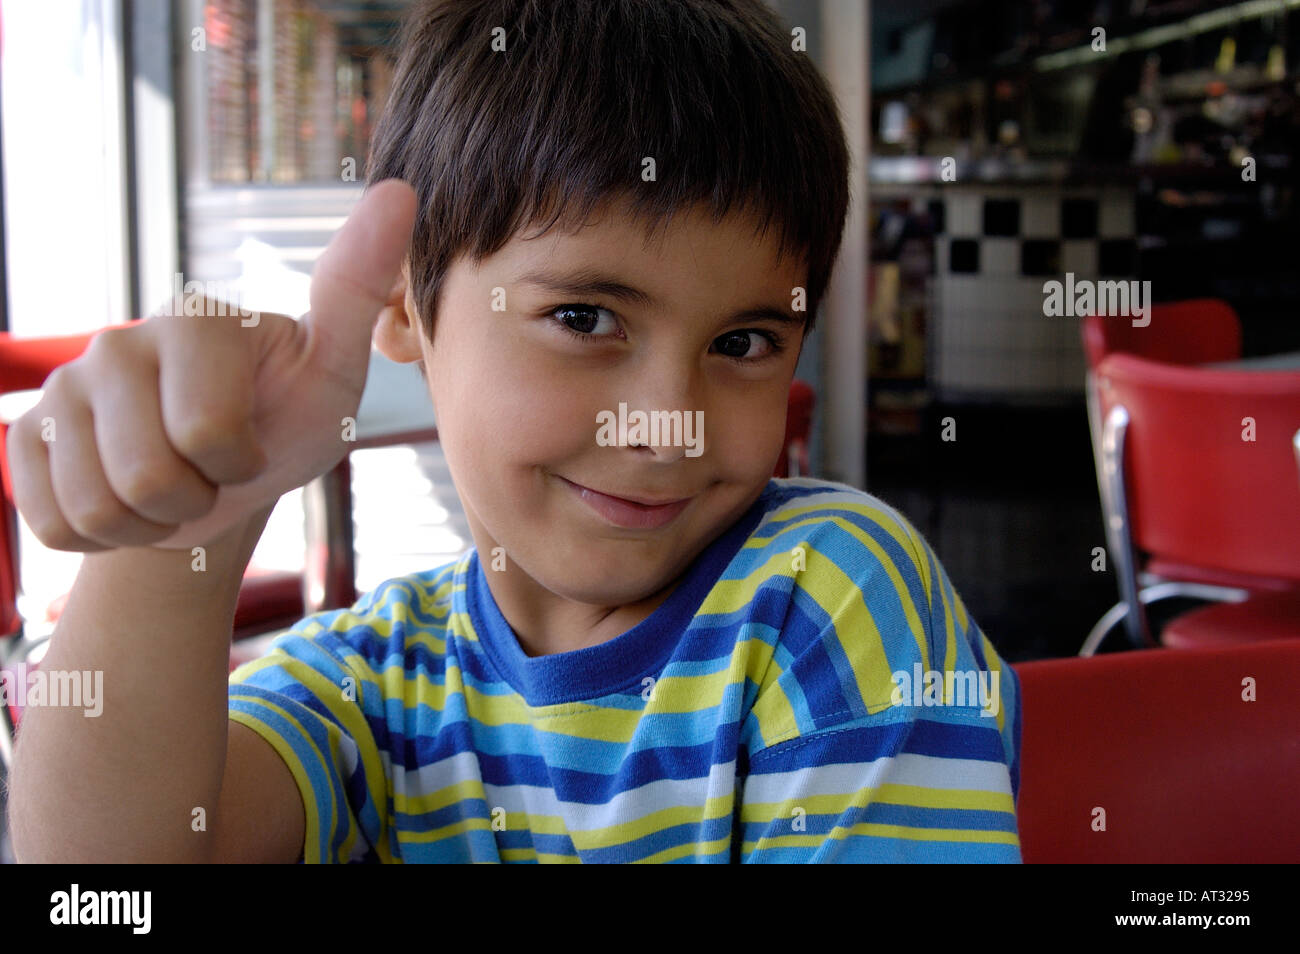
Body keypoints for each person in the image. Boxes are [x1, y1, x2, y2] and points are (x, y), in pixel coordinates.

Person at [6, 0, 1020, 863]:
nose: (666, 425)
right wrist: (181, 536)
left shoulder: (826, 606)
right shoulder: (376, 676)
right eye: (583, 318)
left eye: (745, 340)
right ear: (404, 306)